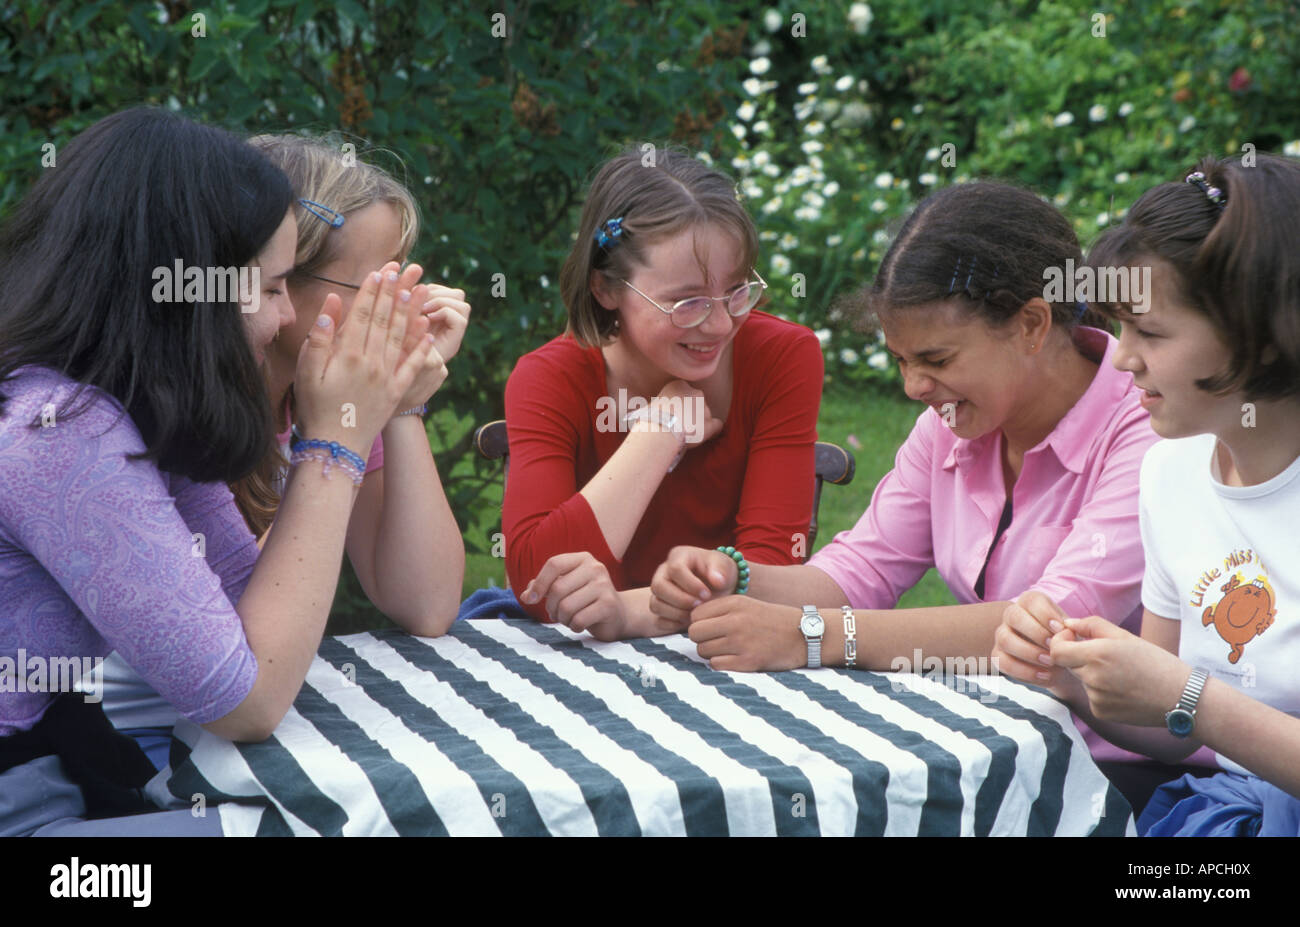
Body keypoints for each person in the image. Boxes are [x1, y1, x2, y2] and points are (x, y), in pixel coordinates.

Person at [0, 108, 445, 835]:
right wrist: (335, 440)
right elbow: (250, 701)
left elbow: (252, 624)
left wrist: (361, 421)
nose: (276, 319)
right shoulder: (59, 434)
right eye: (269, 288)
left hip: (49, 767)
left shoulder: (138, 409)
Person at [650, 180, 1178, 775]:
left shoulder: (1147, 426)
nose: (913, 387)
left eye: (936, 359)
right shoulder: (955, 423)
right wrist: (731, 576)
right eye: (901, 360)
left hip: (1130, 778)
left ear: (1032, 324)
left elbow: (1051, 630)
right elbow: (862, 570)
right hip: (999, 751)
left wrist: (813, 635)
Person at [95, 134, 472, 770]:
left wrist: (401, 404)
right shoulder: (177, 412)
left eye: (409, 280)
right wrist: (335, 446)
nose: (405, 305)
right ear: (276, 278)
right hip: (135, 751)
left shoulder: (327, 402)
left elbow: (425, 602)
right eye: (377, 285)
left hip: (230, 743)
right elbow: (244, 645)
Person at [993, 154, 1300, 834]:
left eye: (1151, 332)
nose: (1123, 357)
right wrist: (1077, 679)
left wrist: (1188, 695)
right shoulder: (1170, 472)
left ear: (1266, 339)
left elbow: (1190, 702)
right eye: (1121, 327)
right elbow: (1176, 726)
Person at [504, 146, 823, 640]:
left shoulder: (782, 356)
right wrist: (659, 431)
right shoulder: (549, 377)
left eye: (737, 290)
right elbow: (537, 586)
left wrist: (623, 611)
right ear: (607, 289)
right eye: (687, 301)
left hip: (729, 663)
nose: (719, 323)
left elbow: (769, 574)